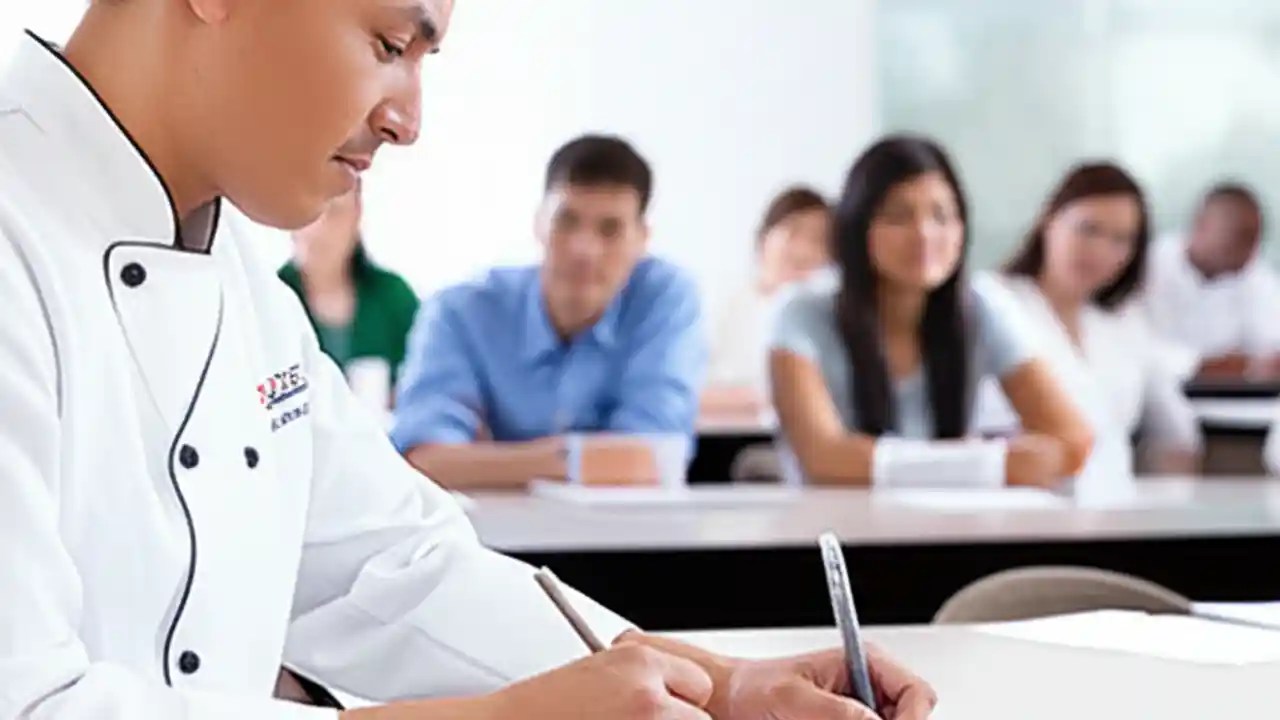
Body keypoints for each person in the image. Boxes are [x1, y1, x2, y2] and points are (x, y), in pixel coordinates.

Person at [0, 4, 937, 720]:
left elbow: (399, 567)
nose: (408, 119)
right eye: (388, 44)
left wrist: (722, 687)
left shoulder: (236, 278)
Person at [770, 136, 1094, 487]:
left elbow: (1072, 440)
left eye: (942, 216)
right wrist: (989, 464)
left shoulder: (981, 305)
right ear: (857, 225)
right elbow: (824, 457)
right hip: (833, 534)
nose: (924, 234)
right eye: (898, 217)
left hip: (948, 531)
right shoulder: (801, 312)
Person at [392, 135, 708, 490]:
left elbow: (651, 460)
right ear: (539, 222)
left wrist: (487, 460)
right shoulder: (460, 312)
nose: (584, 249)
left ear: (642, 239)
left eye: (610, 229)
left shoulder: (666, 297)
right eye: (567, 221)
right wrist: (590, 461)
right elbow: (423, 460)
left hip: (624, 536)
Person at [998, 163, 1202, 476]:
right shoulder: (998, 303)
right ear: (1050, 220)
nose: (1100, 251)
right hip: (1020, 508)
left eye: (1121, 239)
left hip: (1114, 512)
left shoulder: (1123, 323)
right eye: (1088, 229)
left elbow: (1177, 434)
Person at [278, 180, 419, 409]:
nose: (318, 230)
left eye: (333, 213)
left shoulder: (393, 295)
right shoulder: (270, 300)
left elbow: (426, 386)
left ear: (357, 214)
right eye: (308, 214)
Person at [702, 185, 833, 422]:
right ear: (764, 238)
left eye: (818, 239)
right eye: (793, 232)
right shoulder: (719, 304)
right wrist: (761, 400)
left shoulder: (826, 319)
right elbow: (681, 395)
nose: (804, 249)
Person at [1143, 183, 1280, 379]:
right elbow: (1130, 346)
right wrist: (1202, 365)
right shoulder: (1147, 267)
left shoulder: (1257, 277)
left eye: (1255, 239)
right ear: (1201, 225)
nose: (1250, 250)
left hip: (1235, 402)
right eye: (1241, 236)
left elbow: (1271, 347)